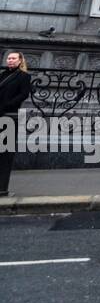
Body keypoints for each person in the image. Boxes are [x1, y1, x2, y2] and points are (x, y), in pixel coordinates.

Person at [0, 51, 33, 197]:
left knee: (5, 152)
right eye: (8, 58)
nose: (10, 60)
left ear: (20, 61)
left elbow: (24, 94)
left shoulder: (24, 76)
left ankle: (2, 188)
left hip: (9, 115)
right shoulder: (3, 74)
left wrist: (7, 105)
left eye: (13, 58)